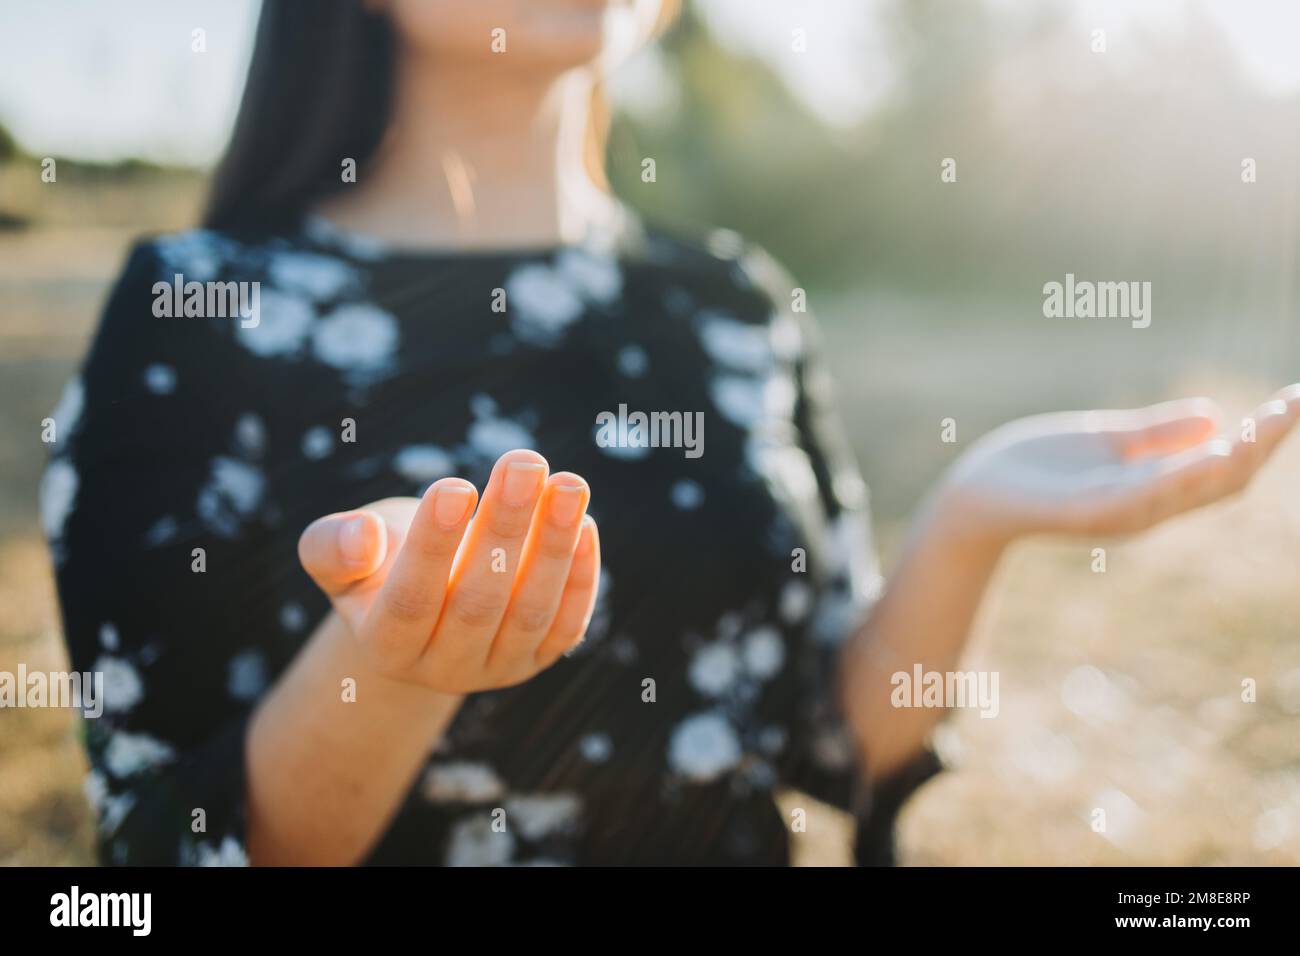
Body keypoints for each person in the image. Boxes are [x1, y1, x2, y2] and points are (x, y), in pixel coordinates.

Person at [42, 0, 1300, 866]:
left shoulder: (732, 297)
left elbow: (830, 737)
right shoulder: (197, 313)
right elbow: (168, 846)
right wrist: (394, 668)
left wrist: (969, 519)